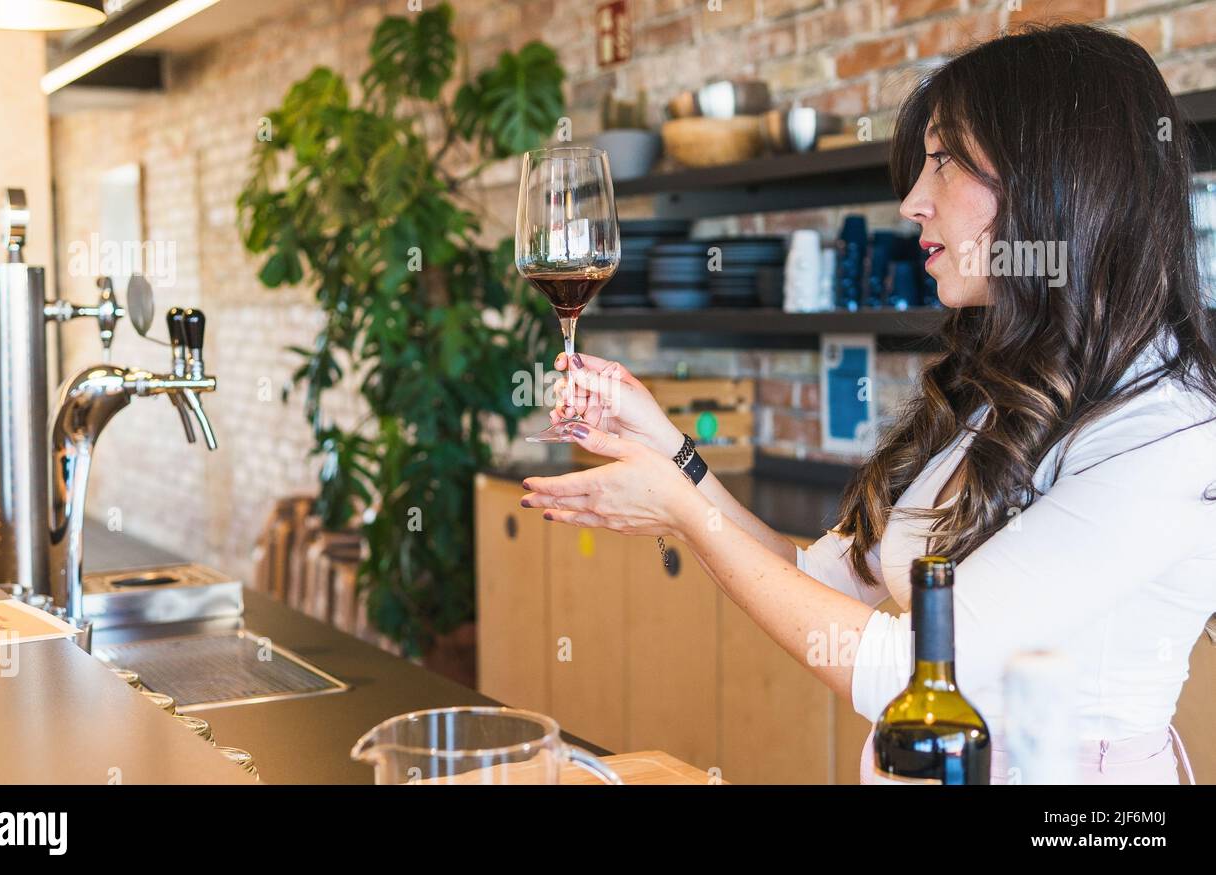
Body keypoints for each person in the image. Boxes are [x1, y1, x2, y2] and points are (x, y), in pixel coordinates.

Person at [520, 23, 1216, 784]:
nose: (912, 201)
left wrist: (682, 512)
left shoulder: (1168, 429)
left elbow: (912, 669)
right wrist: (672, 452)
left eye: (944, 161)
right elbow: (816, 576)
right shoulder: (1004, 396)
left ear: (1059, 179)